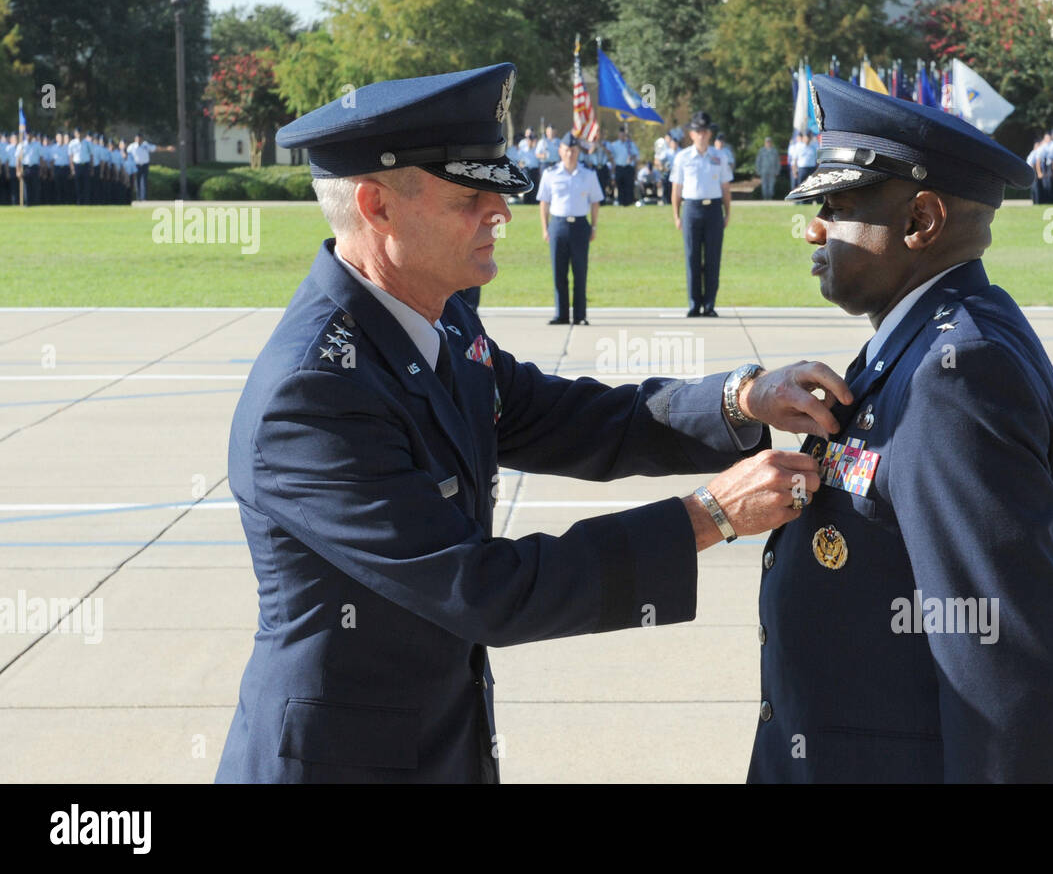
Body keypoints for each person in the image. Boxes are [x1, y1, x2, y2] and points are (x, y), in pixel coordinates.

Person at [215, 62, 854, 784]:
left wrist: (740, 399)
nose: (502, 211)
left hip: (437, 745)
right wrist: (709, 517)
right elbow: (481, 591)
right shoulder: (316, 393)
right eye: (470, 195)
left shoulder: (439, 318)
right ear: (377, 205)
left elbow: (566, 418)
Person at [749, 73, 1053, 783]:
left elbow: (1007, 681)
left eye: (836, 205)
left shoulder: (957, 376)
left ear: (921, 222)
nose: (812, 227)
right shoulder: (927, 336)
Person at [670, 110, 732, 318]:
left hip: (713, 209)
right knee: (692, 258)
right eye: (699, 131)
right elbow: (676, 189)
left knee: (713, 258)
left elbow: (725, 187)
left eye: (705, 131)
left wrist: (727, 212)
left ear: (710, 134)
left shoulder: (719, 156)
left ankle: (710, 304)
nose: (703, 135)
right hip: (691, 209)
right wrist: (676, 215)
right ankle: (694, 304)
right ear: (692, 134)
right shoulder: (683, 157)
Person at [538, 130, 602, 326]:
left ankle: (580, 315)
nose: (570, 154)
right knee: (559, 273)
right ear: (560, 151)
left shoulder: (588, 175)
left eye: (573, 150)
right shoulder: (550, 174)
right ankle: (561, 314)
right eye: (566, 150)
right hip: (558, 225)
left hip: (580, 225)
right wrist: (545, 227)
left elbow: (595, 202)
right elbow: (544, 202)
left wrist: (594, 226)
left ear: (578, 152)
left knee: (580, 272)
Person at [609, 126, 639, 206]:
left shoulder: (630, 144)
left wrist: (631, 157)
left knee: (629, 185)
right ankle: (621, 201)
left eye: (624, 135)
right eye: (621, 135)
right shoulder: (614, 145)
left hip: (628, 168)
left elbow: (636, 155)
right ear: (619, 135)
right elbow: (612, 157)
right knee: (620, 185)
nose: (622, 136)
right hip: (619, 167)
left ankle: (629, 202)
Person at [127, 133, 157, 201]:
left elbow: (155, 148)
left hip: (144, 165)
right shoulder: (131, 147)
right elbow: (127, 155)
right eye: (137, 139)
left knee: (144, 181)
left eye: (140, 139)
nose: (138, 140)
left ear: (142, 139)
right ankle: (138, 197)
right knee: (137, 182)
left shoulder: (145, 145)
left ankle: (144, 198)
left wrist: (167, 148)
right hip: (136, 166)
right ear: (135, 139)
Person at [755, 136, 781, 200]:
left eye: (769, 142)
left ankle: (770, 197)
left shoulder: (774, 151)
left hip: (772, 171)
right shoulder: (761, 151)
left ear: (771, 143)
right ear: (765, 143)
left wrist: (777, 171)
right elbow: (758, 161)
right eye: (767, 142)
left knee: (771, 185)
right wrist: (758, 170)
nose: (768, 143)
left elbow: (778, 162)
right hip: (763, 170)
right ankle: (765, 197)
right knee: (764, 185)